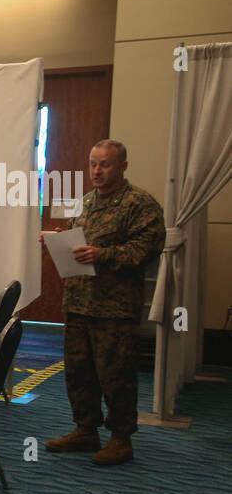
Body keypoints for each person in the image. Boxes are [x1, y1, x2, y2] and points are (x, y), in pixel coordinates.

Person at [46, 140, 165, 465]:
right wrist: (61, 239)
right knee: (79, 373)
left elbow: (146, 249)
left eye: (105, 165)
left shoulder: (140, 203)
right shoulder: (84, 202)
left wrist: (104, 255)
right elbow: (79, 239)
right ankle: (86, 429)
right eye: (93, 164)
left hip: (115, 308)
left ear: (123, 166)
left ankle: (121, 439)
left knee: (116, 375)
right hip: (79, 303)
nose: (97, 171)